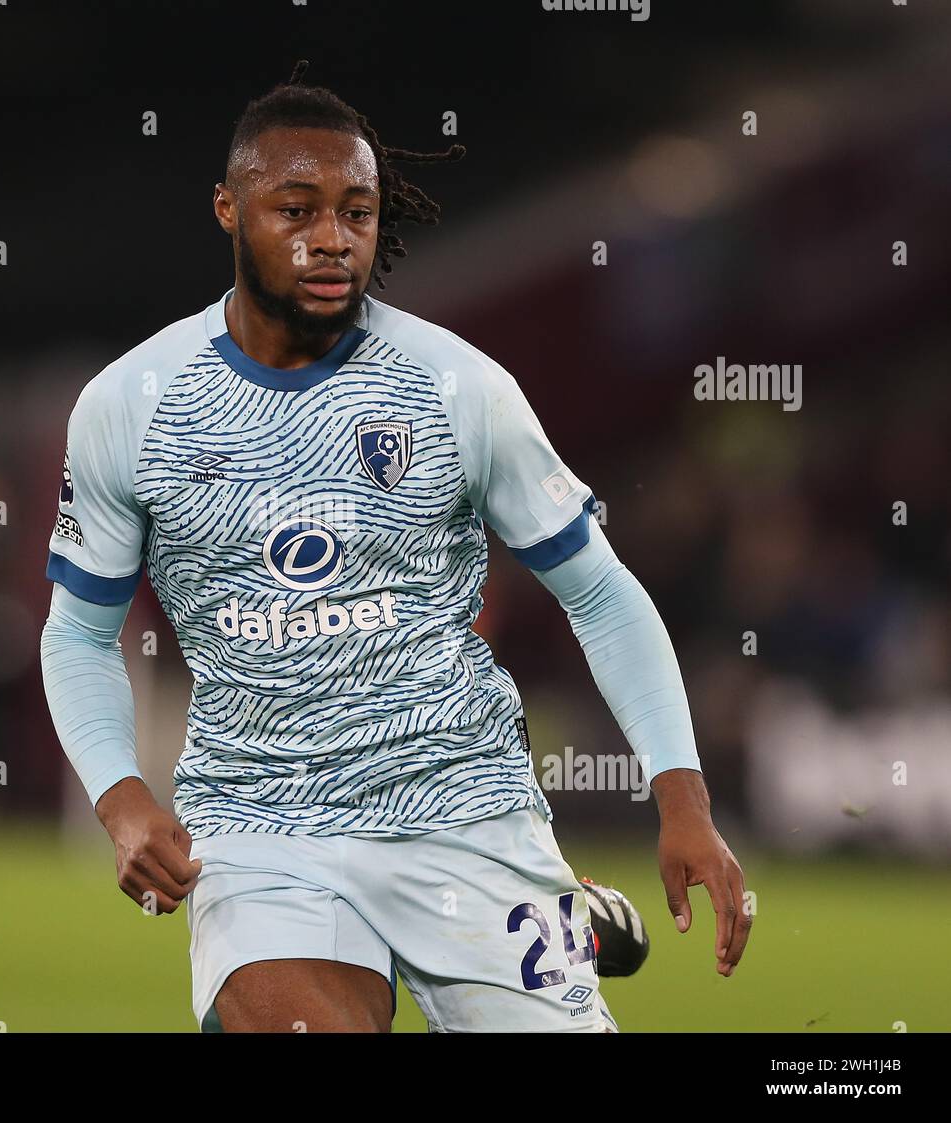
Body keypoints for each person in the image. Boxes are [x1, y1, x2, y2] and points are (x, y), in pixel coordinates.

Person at [40, 61, 749, 1032]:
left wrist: (682, 798)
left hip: (463, 811)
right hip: (262, 826)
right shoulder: (134, 404)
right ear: (227, 209)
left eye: (357, 212)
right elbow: (79, 633)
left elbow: (600, 593)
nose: (332, 239)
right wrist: (122, 798)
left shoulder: (457, 387)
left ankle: (556, 911)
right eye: (296, 210)